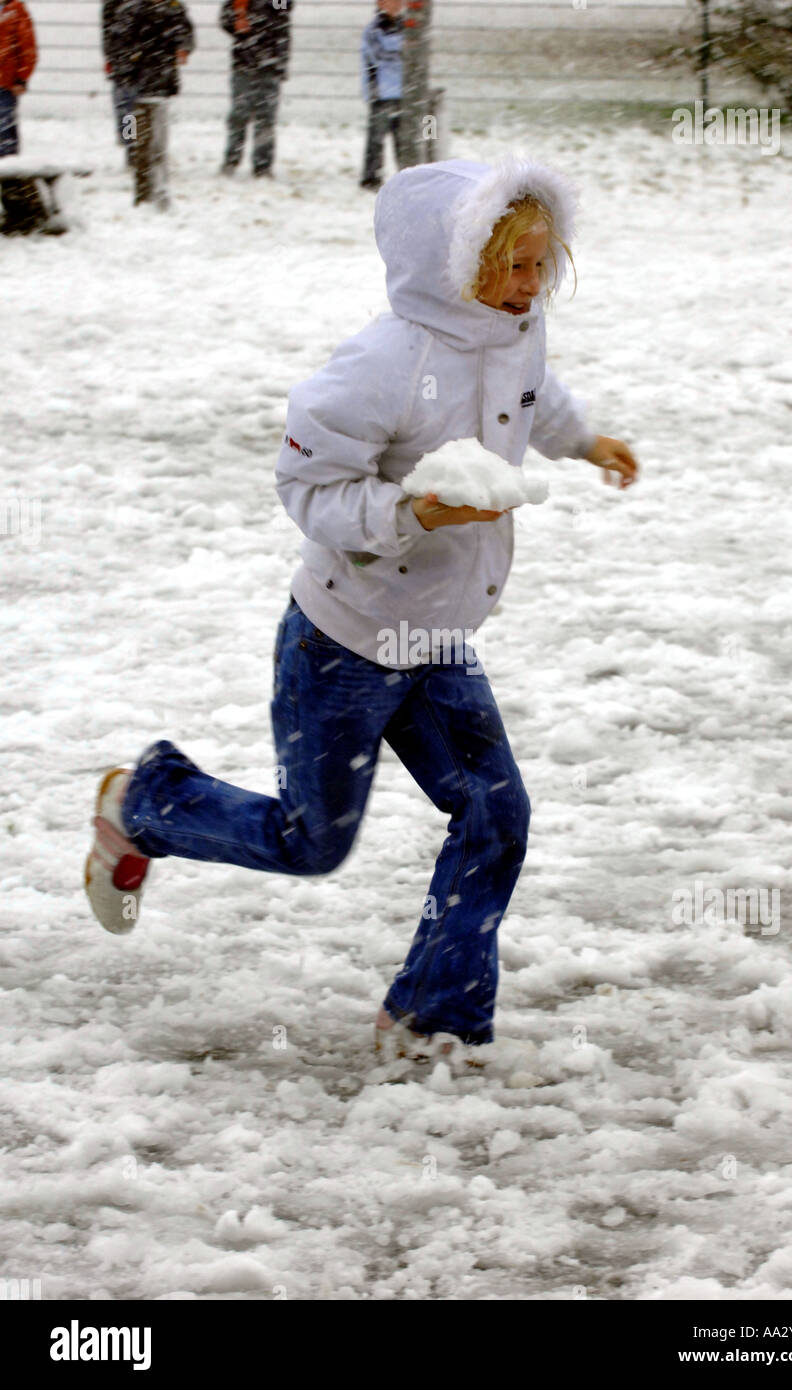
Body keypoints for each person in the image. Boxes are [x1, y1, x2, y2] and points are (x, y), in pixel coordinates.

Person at [84, 157, 638, 1062]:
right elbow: (306, 488)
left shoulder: (515, 330)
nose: (527, 284)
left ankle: (434, 1015)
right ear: (447, 265)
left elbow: (533, 399)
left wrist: (583, 440)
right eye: (508, 265)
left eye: (539, 263)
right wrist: (412, 511)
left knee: (498, 817)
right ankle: (148, 801)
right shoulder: (382, 364)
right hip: (342, 640)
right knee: (311, 842)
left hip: (439, 641)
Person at [112, 0, 194, 208]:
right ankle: (130, 151)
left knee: (154, 140)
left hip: (155, 84)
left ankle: (153, 187)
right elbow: (116, 39)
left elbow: (185, 33)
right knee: (130, 121)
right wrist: (123, 66)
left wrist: (183, 47)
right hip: (135, 82)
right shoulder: (129, 11)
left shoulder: (172, 9)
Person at [219, 0, 292, 178]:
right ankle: (232, 160)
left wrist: (280, 62)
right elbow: (225, 19)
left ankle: (262, 165)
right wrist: (236, 21)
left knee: (266, 117)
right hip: (244, 64)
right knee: (239, 115)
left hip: (269, 64)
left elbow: (282, 14)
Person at [359, 0, 410, 190]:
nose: (395, 5)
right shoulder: (373, 31)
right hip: (381, 94)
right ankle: (371, 178)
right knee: (375, 140)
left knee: (404, 141)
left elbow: (413, 55)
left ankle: (407, 177)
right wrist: (401, 51)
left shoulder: (409, 27)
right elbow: (378, 56)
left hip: (404, 94)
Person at [102, 0, 138, 166]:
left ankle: (132, 146)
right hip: (125, 62)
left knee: (127, 108)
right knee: (128, 109)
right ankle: (132, 147)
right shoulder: (112, 6)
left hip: (131, 62)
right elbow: (109, 33)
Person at [0, 0, 36, 158]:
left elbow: (27, 47)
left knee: (5, 125)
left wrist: (21, 78)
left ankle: (8, 164)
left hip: (6, 82)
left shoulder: (16, 11)